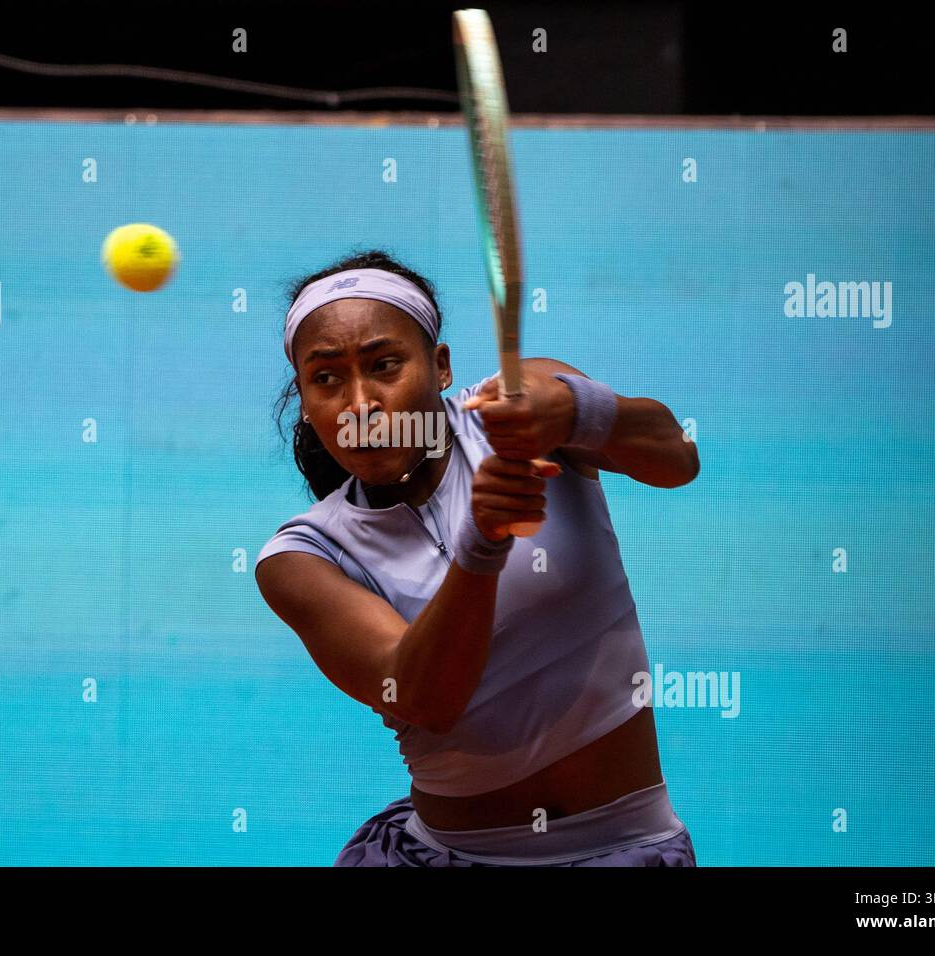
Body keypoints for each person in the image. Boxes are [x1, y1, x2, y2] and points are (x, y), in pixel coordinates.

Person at [255, 249, 701, 866]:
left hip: (625, 849)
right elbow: (424, 699)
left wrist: (576, 410)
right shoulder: (302, 557)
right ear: (304, 399)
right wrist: (483, 541)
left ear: (439, 366)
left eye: (385, 365)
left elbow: (678, 457)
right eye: (326, 379)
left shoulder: (521, 407)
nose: (360, 404)